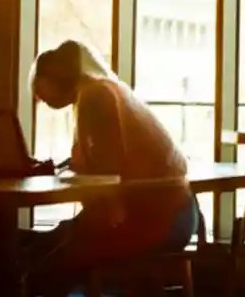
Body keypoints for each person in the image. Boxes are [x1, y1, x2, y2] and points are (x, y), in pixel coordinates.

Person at [24, 40, 196, 294]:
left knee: (48, 264)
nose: (38, 97)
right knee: (49, 244)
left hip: (154, 217)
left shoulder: (95, 96)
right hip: (173, 211)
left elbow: (106, 169)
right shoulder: (104, 90)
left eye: (41, 87)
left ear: (53, 78)